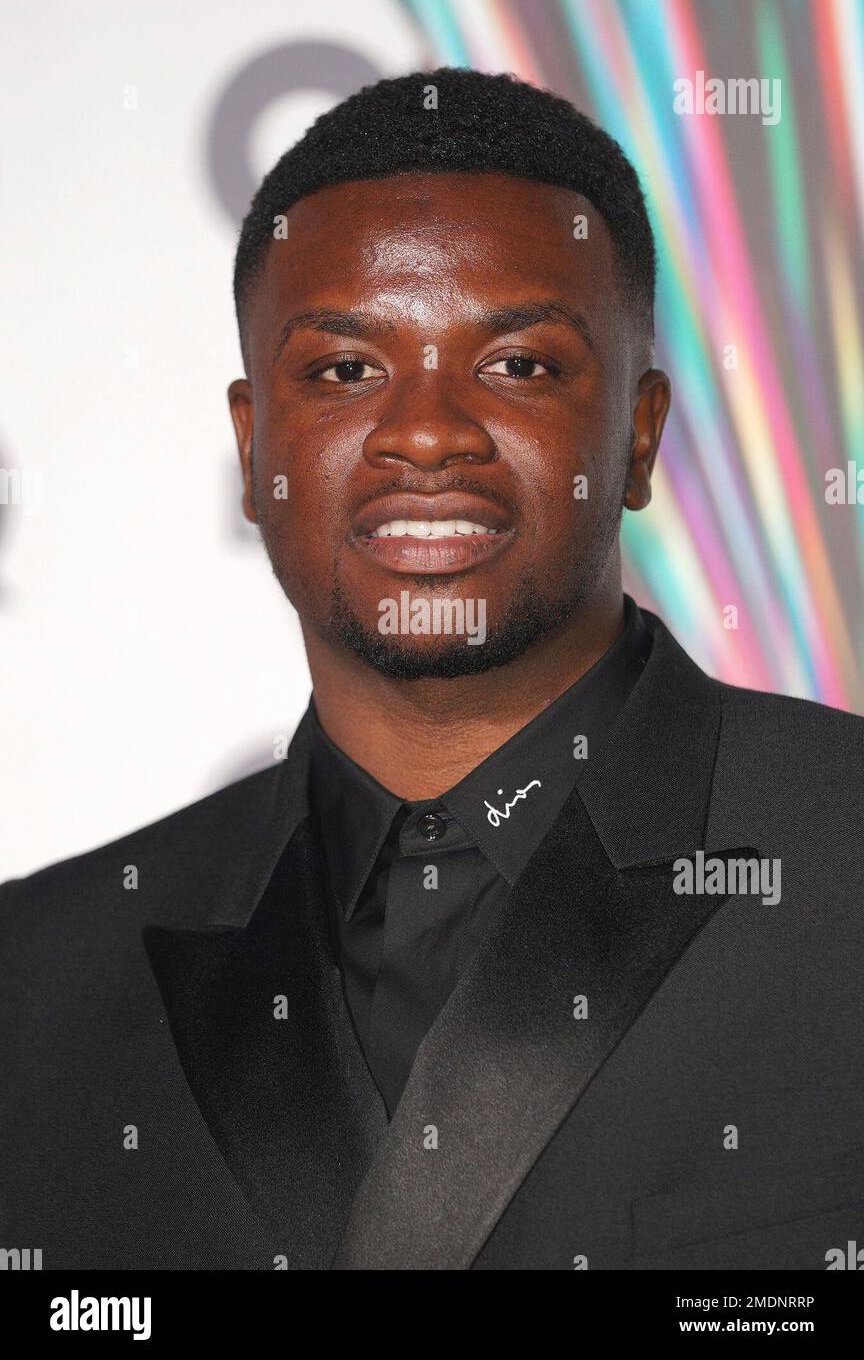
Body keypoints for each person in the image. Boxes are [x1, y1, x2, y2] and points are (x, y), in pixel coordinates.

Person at [1, 68, 862, 1272]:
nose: (427, 433)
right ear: (256, 454)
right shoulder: (34, 982)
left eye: (519, 365)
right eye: (346, 371)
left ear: (638, 435)